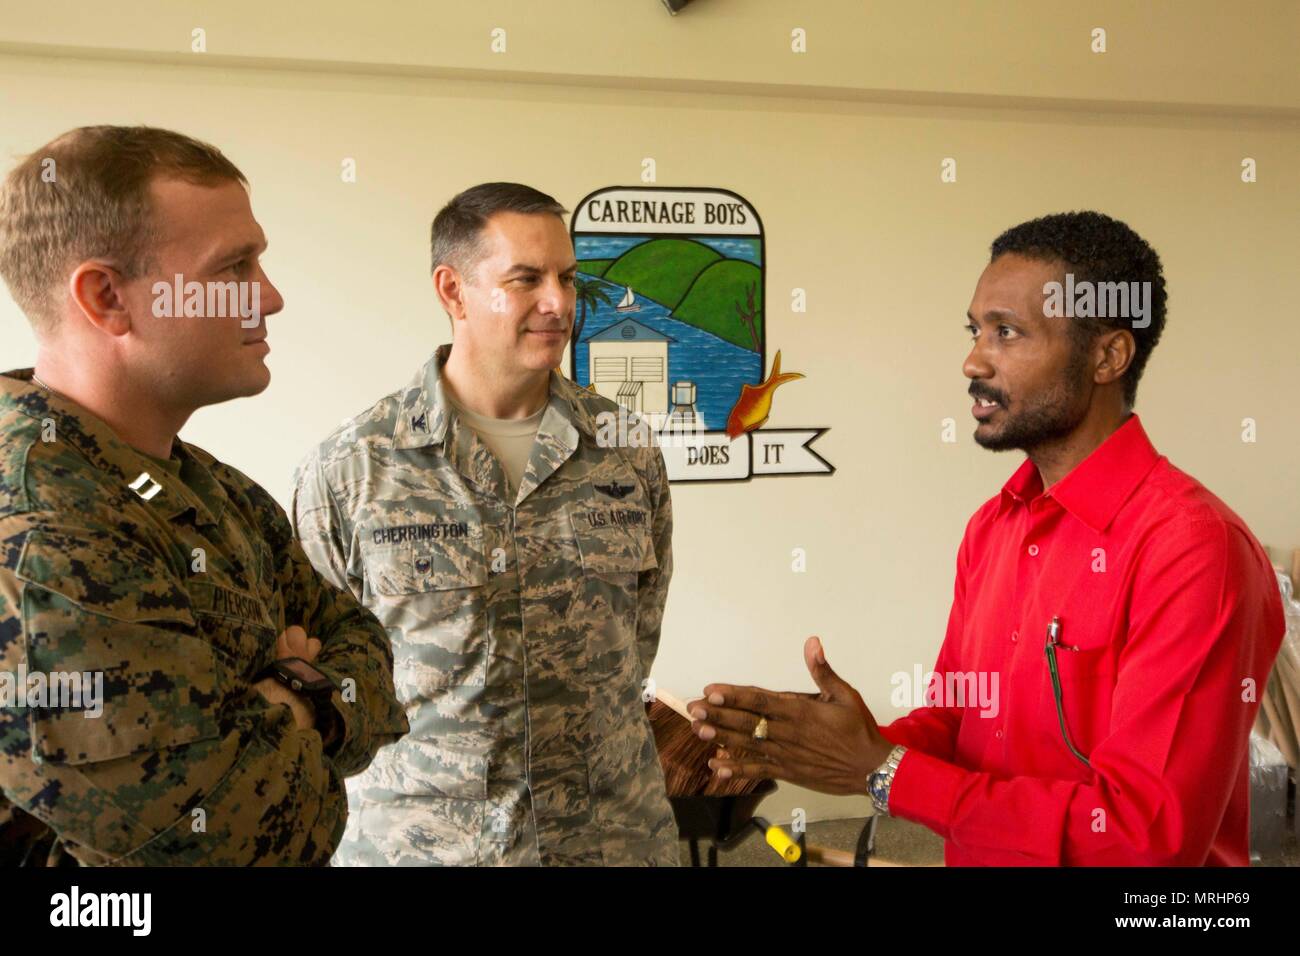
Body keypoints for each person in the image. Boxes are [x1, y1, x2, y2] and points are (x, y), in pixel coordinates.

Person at [688, 211, 1285, 866]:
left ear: (1108, 356)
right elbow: (958, 723)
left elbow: (1141, 840)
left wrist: (881, 769)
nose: (973, 359)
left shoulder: (1195, 548)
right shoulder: (993, 528)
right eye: (975, 330)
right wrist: (826, 744)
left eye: (1008, 332)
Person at [0, 126, 408, 865]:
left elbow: (373, 666)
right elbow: (226, 836)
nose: (272, 297)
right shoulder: (37, 522)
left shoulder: (213, 489)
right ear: (106, 297)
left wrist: (278, 701)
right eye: (235, 267)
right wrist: (311, 697)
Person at [292, 182, 678, 865]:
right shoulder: (351, 471)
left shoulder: (625, 447)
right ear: (453, 290)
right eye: (526, 279)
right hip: (424, 852)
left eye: (567, 277)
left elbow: (637, 637)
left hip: (611, 841)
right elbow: (322, 678)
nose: (559, 303)